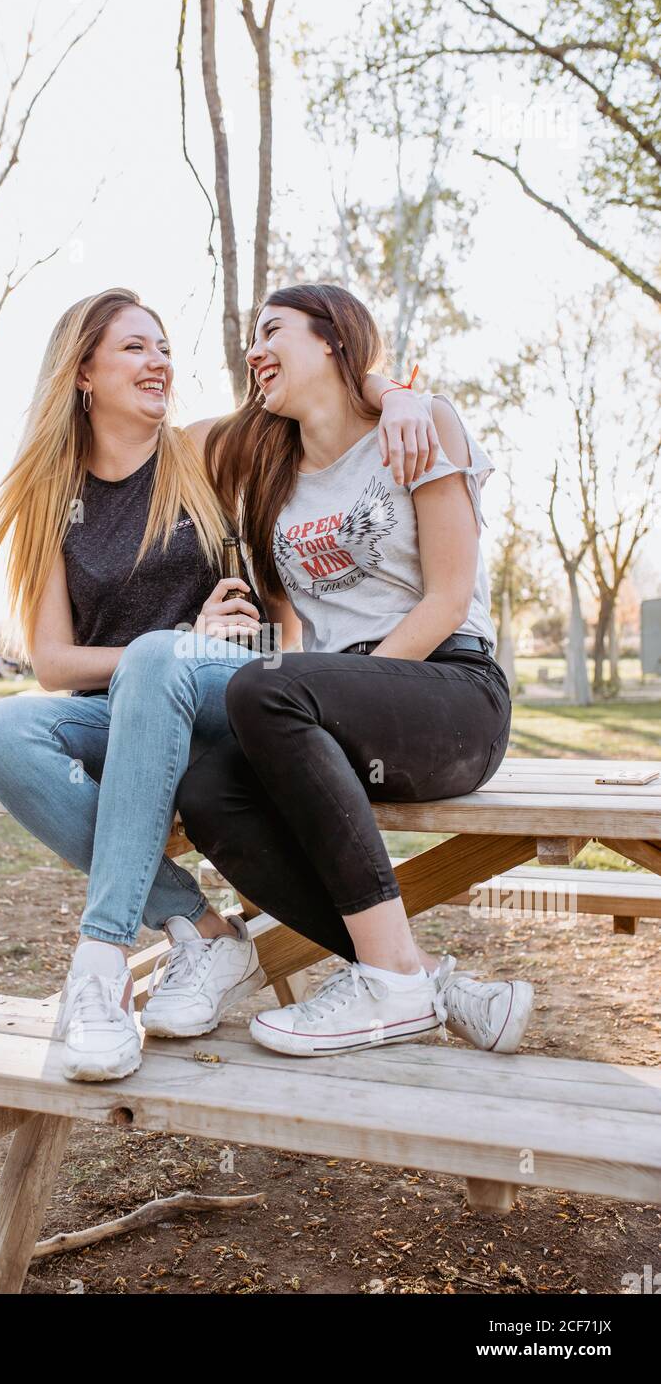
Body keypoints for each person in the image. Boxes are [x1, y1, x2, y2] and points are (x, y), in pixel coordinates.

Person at [0, 287, 436, 1082]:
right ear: (83, 372)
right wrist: (168, 646)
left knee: (162, 663)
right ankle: (203, 932)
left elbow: (314, 389)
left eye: (163, 347)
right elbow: (53, 660)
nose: (161, 362)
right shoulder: (50, 498)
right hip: (124, 712)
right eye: (136, 348)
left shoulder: (201, 450)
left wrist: (397, 395)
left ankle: (101, 969)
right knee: (0, 734)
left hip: (228, 704)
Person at [175, 282, 532, 1058]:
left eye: (274, 330)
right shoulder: (268, 469)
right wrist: (225, 630)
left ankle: (391, 986)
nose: (254, 349)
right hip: (338, 707)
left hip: (452, 699)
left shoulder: (420, 425)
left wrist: (395, 392)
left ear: (333, 339)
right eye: (250, 338)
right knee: (207, 786)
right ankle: (412, 977)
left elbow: (447, 598)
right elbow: (170, 444)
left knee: (265, 689)